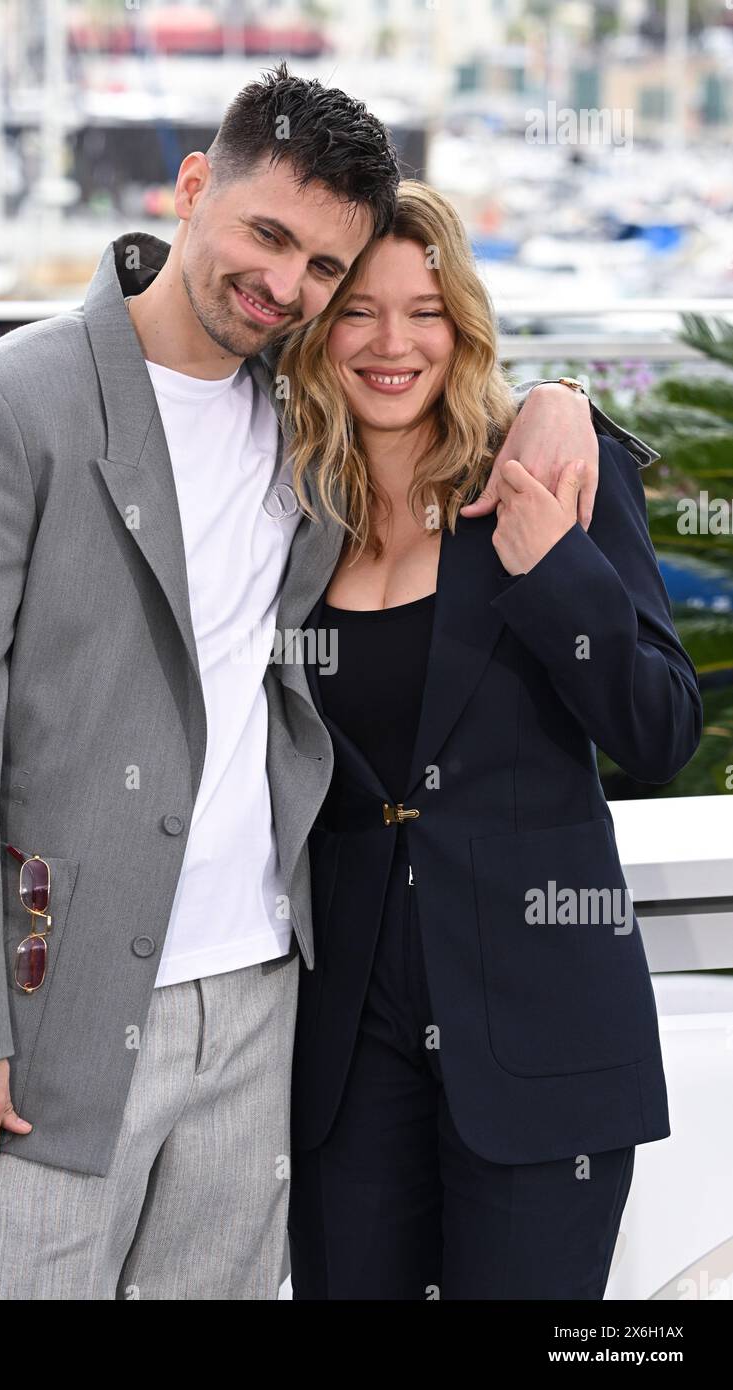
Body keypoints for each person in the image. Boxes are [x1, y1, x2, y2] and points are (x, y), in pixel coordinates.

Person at [0, 64, 657, 1301]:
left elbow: (436, 387)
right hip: (57, 1022)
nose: (287, 287)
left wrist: (563, 402)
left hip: (268, 1006)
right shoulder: (9, 404)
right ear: (190, 188)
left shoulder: (299, 425)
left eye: (319, 269)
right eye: (268, 236)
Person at [280, 180, 703, 1300]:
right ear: (320, 330)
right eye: (358, 311)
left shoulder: (548, 474)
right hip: (345, 1057)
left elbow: (660, 730)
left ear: (462, 327)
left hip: (542, 1040)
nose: (390, 343)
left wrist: (555, 567)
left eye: (423, 311)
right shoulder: (283, 514)